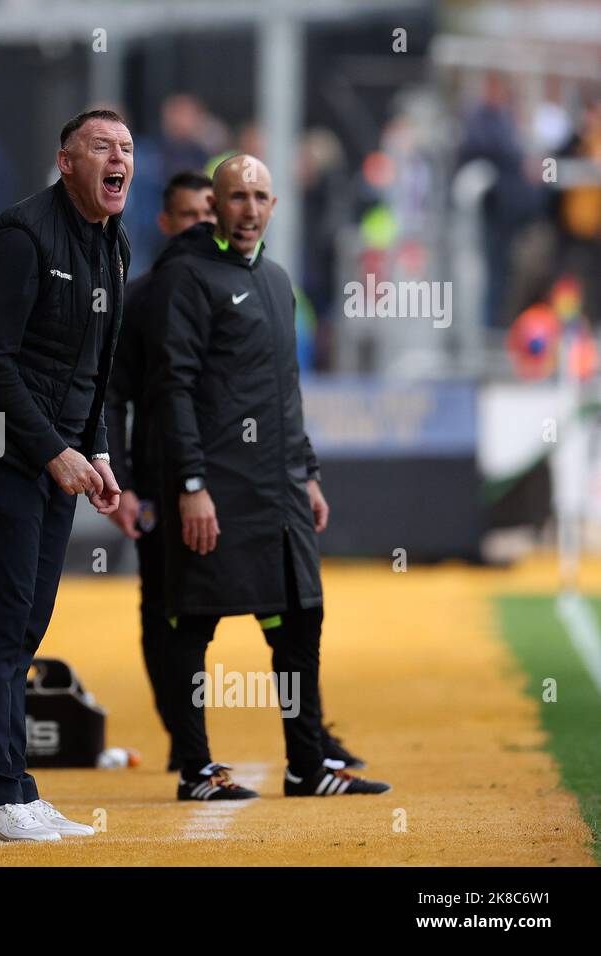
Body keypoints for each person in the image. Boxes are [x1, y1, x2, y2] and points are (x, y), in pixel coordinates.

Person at [142, 154, 390, 800]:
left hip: (277, 488)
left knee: (300, 621)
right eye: (236, 197)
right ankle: (195, 769)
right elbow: (174, 389)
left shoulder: (278, 282)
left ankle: (306, 767)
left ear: (274, 207)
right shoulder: (188, 279)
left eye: (260, 196)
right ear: (216, 207)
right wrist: (190, 486)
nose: (249, 209)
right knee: (192, 623)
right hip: (218, 487)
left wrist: (305, 473)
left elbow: (285, 392)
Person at [0, 109, 132, 842]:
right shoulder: (21, 238)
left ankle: (16, 785)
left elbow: (97, 366)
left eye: (125, 148)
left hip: (58, 458)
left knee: (25, 621)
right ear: (67, 163)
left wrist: (101, 450)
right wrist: (54, 449)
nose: (117, 158)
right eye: (101, 147)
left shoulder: (113, 245)